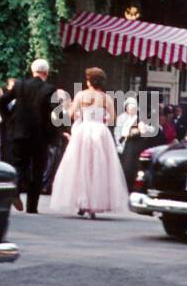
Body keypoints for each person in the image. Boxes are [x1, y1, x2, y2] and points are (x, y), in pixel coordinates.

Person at [49, 67, 130, 219]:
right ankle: (93, 205)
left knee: (80, 166)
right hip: (100, 131)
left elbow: (71, 115)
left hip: (84, 130)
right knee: (98, 168)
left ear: (89, 81)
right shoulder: (107, 98)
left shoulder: (81, 95)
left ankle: (82, 202)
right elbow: (112, 119)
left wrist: (78, 114)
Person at [0, 58, 58, 214]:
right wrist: (58, 131)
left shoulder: (20, 85)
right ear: (46, 73)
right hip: (39, 136)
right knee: (37, 169)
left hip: (19, 132)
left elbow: (1, 102)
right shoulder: (50, 89)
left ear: (32, 71)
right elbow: (57, 114)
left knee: (19, 164)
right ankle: (32, 206)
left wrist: (9, 119)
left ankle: (16, 191)